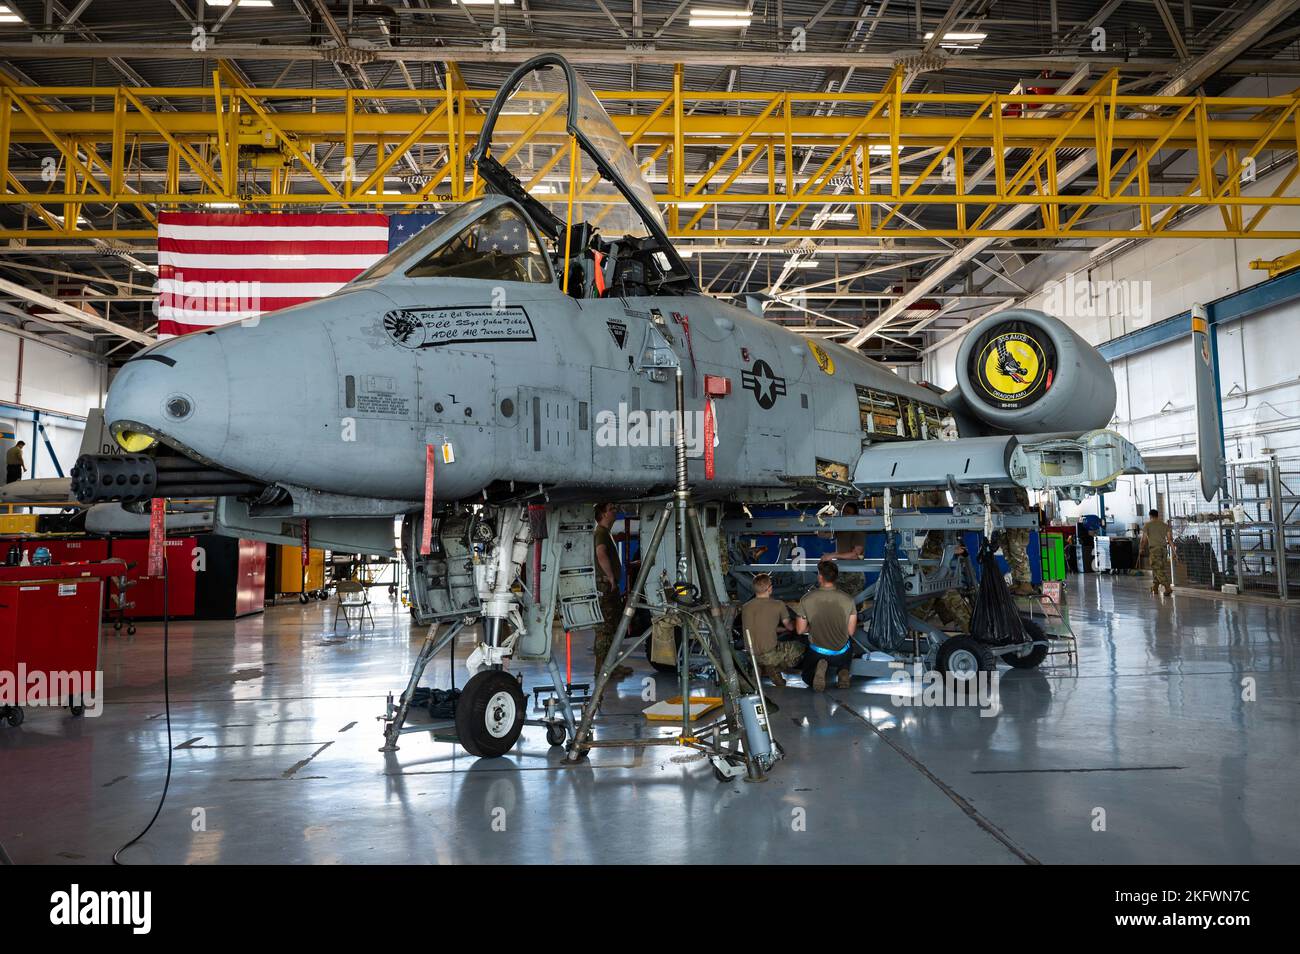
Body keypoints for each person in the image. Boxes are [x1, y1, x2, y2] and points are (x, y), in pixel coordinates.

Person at [794, 560, 857, 692]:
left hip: (817, 652)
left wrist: (813, 627)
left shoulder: (806, 599)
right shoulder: (848, 600)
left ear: (820, 577)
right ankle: (843, 671)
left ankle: (819, 667)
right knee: (849, 644)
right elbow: (851, 631)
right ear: (835, 577)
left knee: (806, 677)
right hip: (841, 652)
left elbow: (800, 630)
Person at [740, 573, 805, 686]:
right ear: (769, 589)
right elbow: (790, 626)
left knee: (770, 648)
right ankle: (773, 668)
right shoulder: (778, 604)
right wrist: (801, 622)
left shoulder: (745, 607)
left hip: (751, 654)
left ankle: (760, 671)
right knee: (800, 648)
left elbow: (763, 627)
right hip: (770, 655)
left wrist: (782, 630)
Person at [592, 502, 633, 679]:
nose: (614, 512)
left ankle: (611, 666)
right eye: (611, 509)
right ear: (602, 514)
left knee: (613, 628)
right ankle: (602, 669)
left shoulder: (605, 533)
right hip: (605, 586)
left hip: (608, 586)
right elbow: (601, 554)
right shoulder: (600, 533)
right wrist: (610, 577)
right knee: (605, 629)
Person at [826, 501, 866, 599]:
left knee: (852, 607)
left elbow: (855, 555)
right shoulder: (841, 528)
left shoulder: (858, 531)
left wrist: (833, 555)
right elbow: (823, 534)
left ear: (855, 515)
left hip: (853, 575)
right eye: (843, 512)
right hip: (840, 573)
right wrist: (823, 521)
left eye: (848, 512)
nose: (844, 514)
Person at [1003, 488, 1035, 596]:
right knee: (1008, 550)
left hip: (1018, 522)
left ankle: (1025, 584)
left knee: (1018, 551)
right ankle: (1017, 581)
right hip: (1007, 516)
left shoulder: (1017, 490)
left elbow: (1022, 504)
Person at [1140, 508, 1174, 597]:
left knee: (1158, 569)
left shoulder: (1147, 525)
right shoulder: (1164, 525)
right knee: (1158, 568)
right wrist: (1174, 550)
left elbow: (1143, 539)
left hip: (1155, 550)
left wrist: (1141, 548)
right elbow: (1169, 539)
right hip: (1164, 550)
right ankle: (1155, 588)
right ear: (1157, 515)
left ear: (1150, 516)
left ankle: (1167, 587)